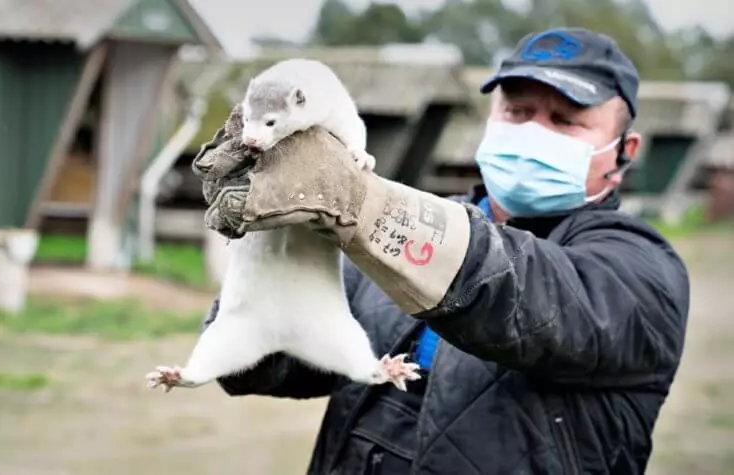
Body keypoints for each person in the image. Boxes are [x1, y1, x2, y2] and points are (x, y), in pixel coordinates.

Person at [196, 27, 690, 474]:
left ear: (626, 152)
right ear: (492, 118)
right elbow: (284, 359)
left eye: (565, 120)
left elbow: (522, 291)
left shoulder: (641, 269)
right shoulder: (392, 234)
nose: (532, 131)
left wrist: (361, 205)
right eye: (517, 111)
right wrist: (264, 264)